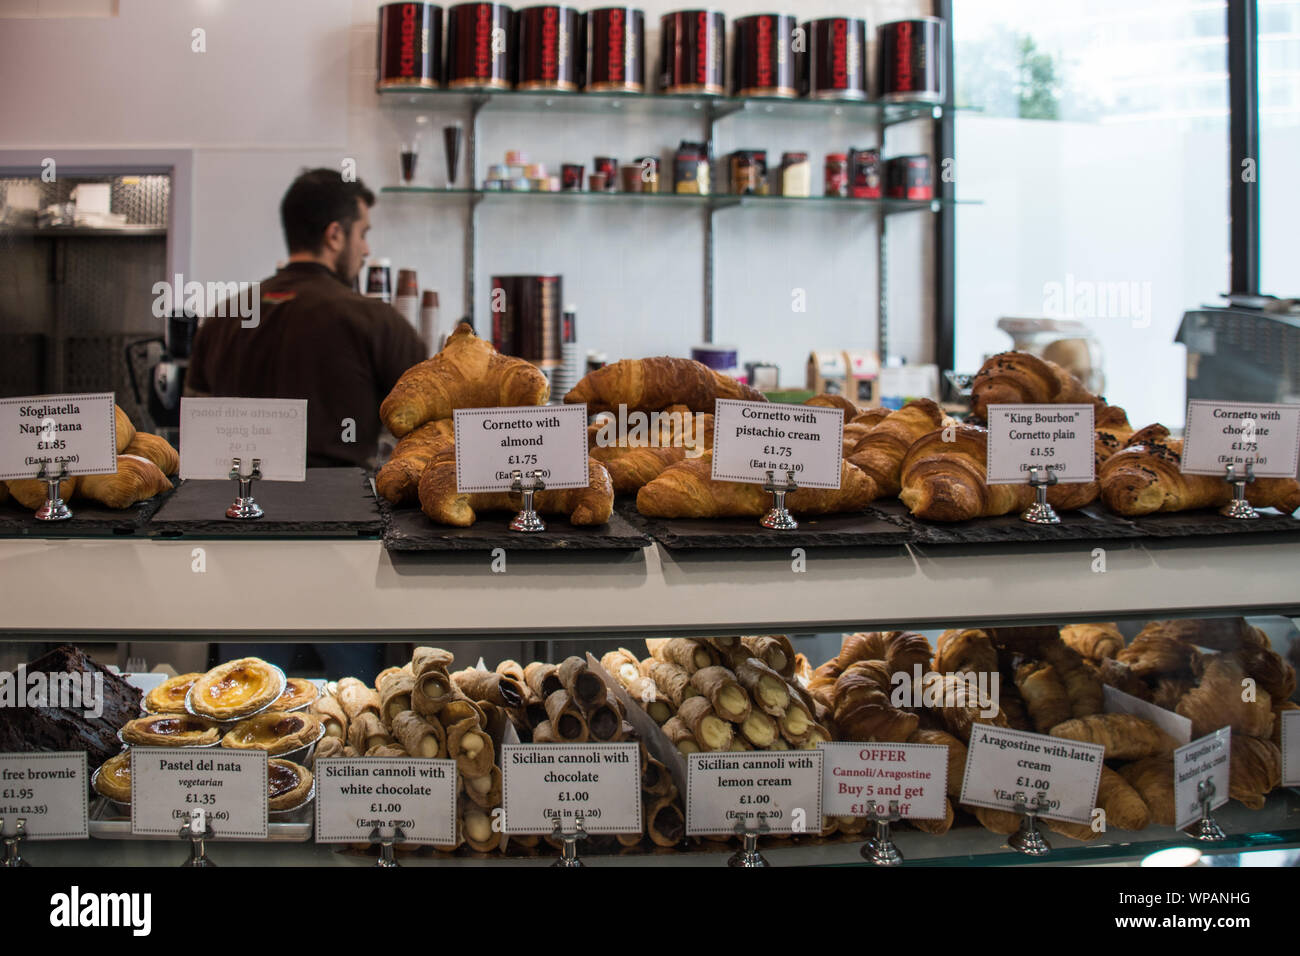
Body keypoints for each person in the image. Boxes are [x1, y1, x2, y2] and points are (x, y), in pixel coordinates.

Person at [186, 168, 426, 468]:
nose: (366, 250)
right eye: (363, 234)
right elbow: (431, 427)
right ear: (335, 235)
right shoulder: (377, 321)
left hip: (235, 507)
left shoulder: (224, 317)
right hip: (345, 508)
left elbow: (195, 429)